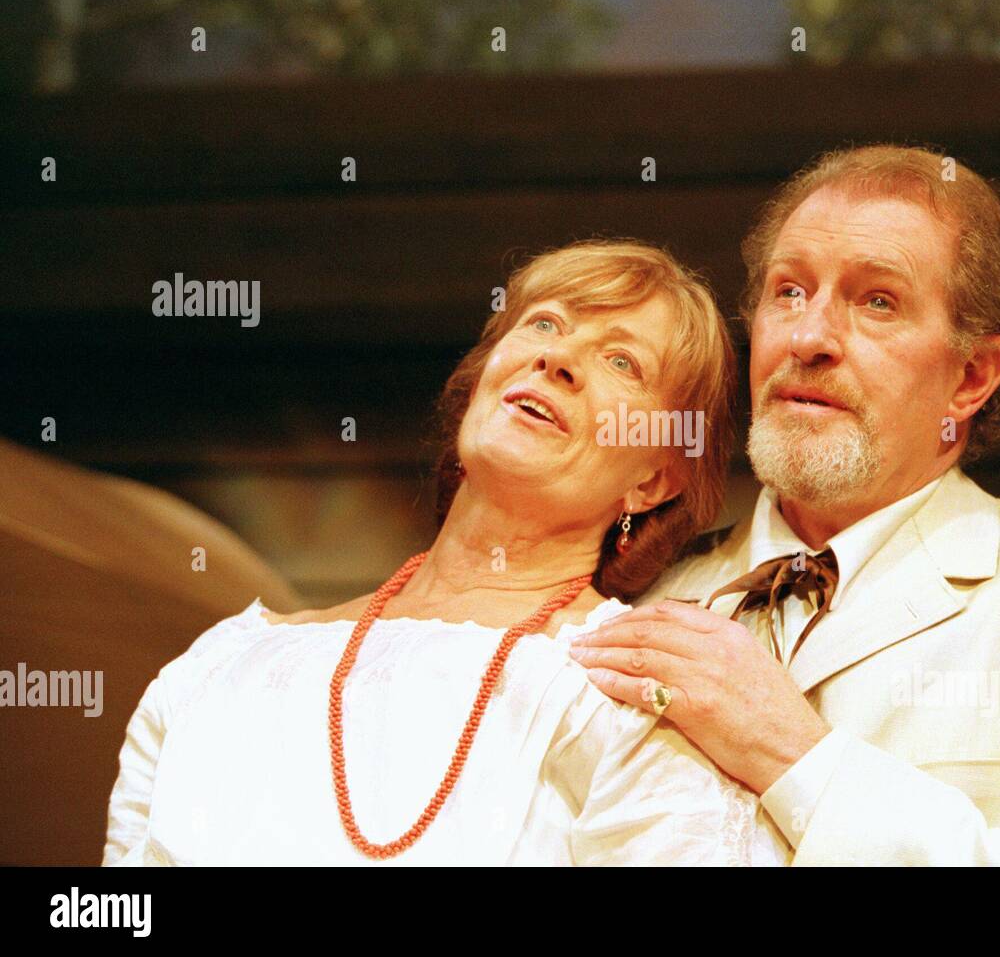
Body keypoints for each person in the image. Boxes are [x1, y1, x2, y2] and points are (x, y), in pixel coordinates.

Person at [566, 145, 1000, 866]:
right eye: (789, 292)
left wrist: (798, 759)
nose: (809, 337)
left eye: (877, 301)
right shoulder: (631, 587)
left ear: (971, 376)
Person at [101, 239, 791, 866]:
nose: (557, 359)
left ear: (652, 480)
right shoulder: (219, 665)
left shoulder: (634, 693)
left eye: (621, 361)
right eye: (544, 323)